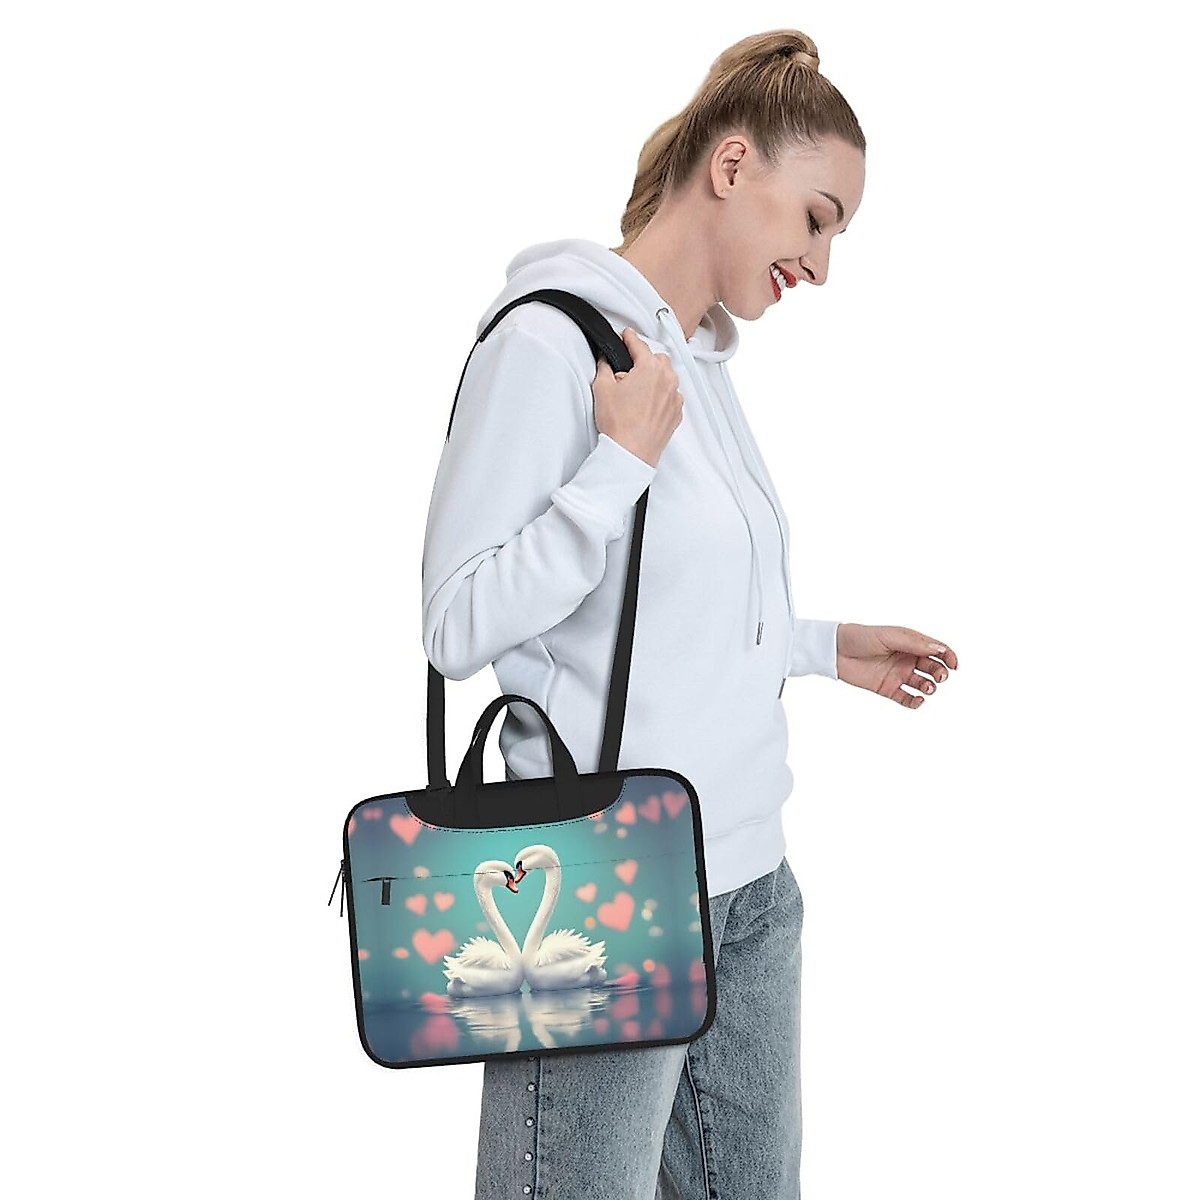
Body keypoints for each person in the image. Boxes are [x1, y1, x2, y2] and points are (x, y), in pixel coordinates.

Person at [420, 27, 958, 1200]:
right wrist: (615, 466)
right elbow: (457, 623)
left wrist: (820, 646)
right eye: (817, 218)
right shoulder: (549, 341)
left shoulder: (698, 366)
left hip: (750, 883)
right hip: (604, 885)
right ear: (731, 165)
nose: (822, 263)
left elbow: (668, 609)